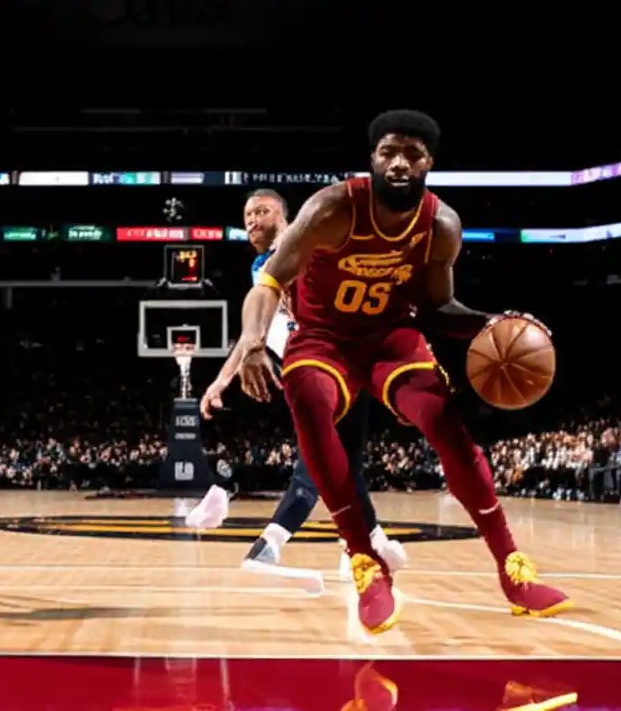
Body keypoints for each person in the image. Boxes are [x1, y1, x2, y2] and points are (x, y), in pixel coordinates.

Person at [233, 110, 571, 635]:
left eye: (412, 154)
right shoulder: (330, 208)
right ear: (372, 159)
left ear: (428, 163)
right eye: (388, 152)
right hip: (323, 339)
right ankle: (365, 561)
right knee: (308, 398)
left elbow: (438, 309)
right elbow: (269, 281)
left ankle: (513, 569)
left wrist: (497, 323)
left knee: (444, 422)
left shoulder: (441, 226)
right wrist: (253, 343)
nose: (399, 162)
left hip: (391, 337)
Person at [191, 189, 406, 579]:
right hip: (291, 366)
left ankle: (335, 541)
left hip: (336, 367)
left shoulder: (311, 247)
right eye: (246, 215)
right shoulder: (263, 268)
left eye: (261, 211)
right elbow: (250, 334)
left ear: (284, 218)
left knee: (331, 466)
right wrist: (221, 379)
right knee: (218, 406)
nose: (252, 220)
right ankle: (228, 491)